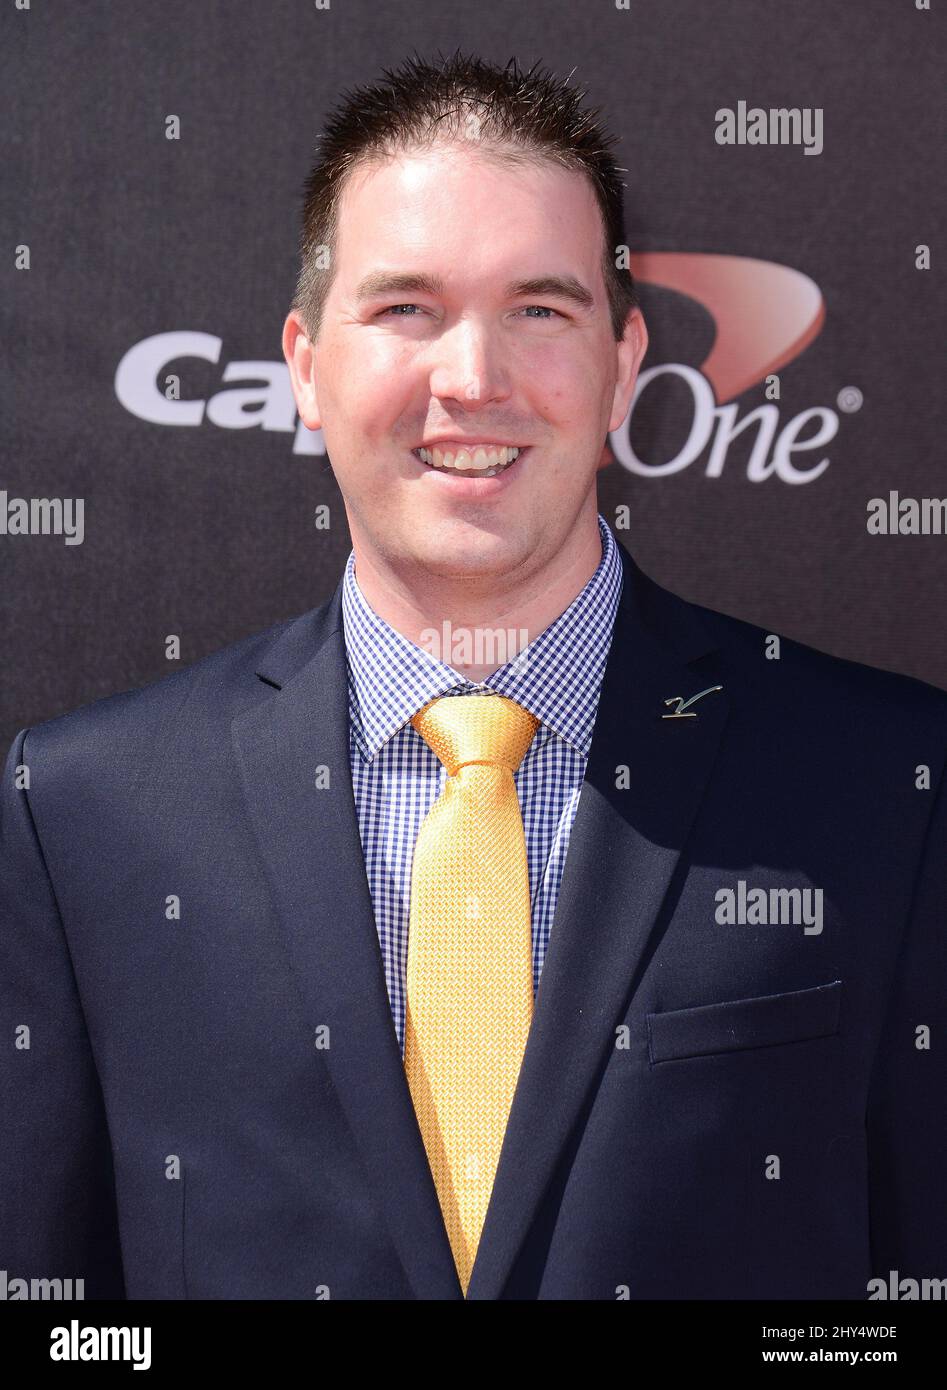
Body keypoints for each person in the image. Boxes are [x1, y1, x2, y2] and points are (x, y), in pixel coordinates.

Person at [1, 50, 945, 1302]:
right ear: (302, 363)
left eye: (539, 310)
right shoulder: (84, 809)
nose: (472, 380)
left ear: (621, 364)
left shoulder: (886, 782)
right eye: (404, 308)